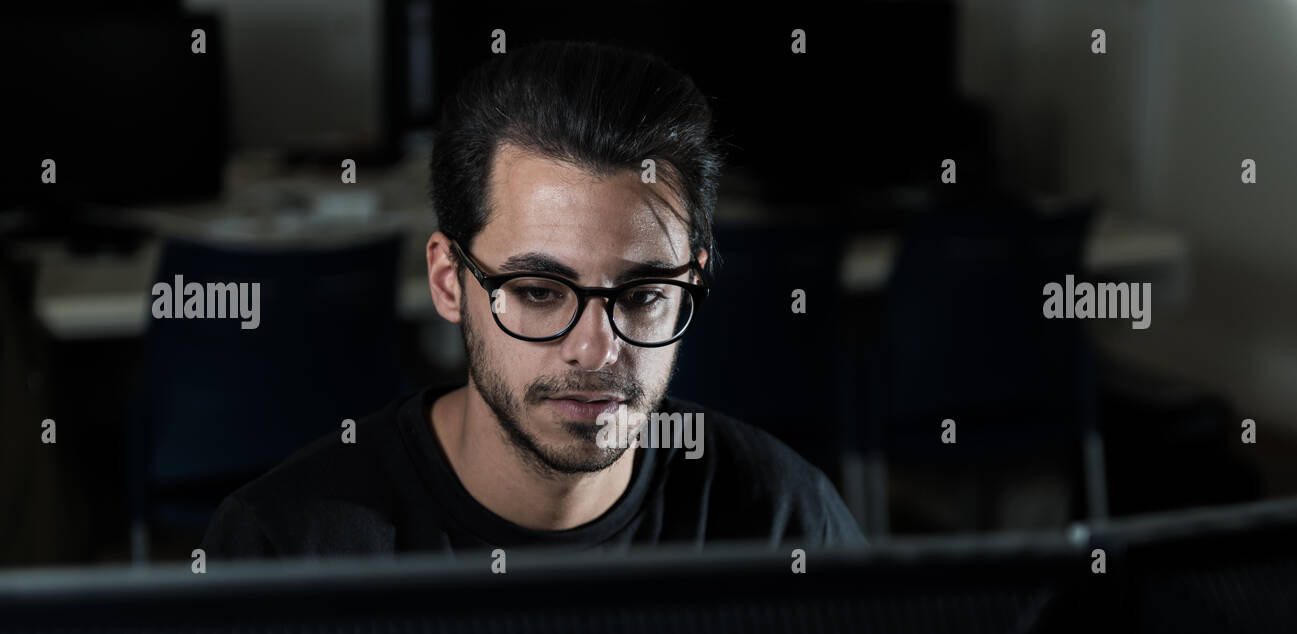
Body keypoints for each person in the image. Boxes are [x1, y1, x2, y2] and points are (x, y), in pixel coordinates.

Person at [201, 39, 865, 558]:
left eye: (643, 294)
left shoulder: (782, 523)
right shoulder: (288, 546)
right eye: (541, 291)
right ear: (447, 280)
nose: (598, 347)